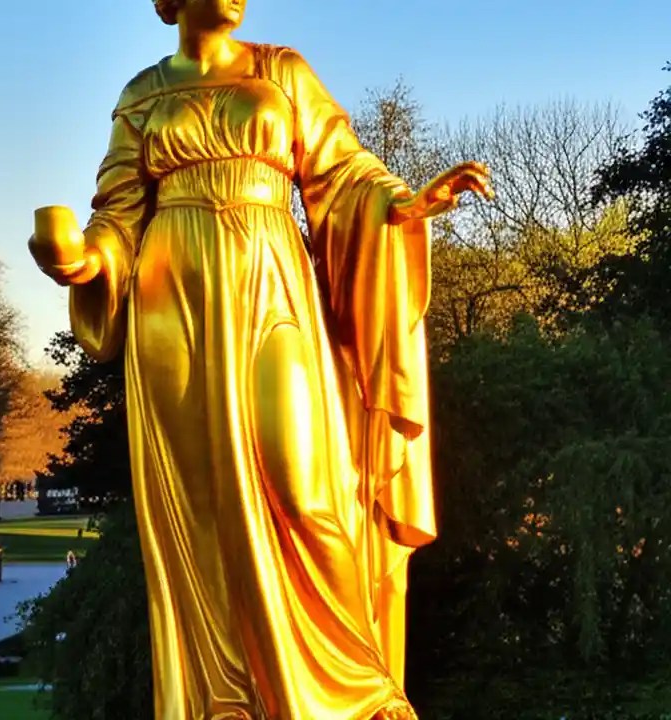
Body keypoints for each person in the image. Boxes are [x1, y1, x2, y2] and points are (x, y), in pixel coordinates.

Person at [27, 1, 491, 718]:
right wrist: (79, 260)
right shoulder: (143, 94)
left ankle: (359, 693)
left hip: (273, 286)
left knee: (306, 489)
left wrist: (403, 206)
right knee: (203, 509)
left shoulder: (282, 71)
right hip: (170, 304)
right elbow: (117, 219)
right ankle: (223, 700)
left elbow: (343, 172)